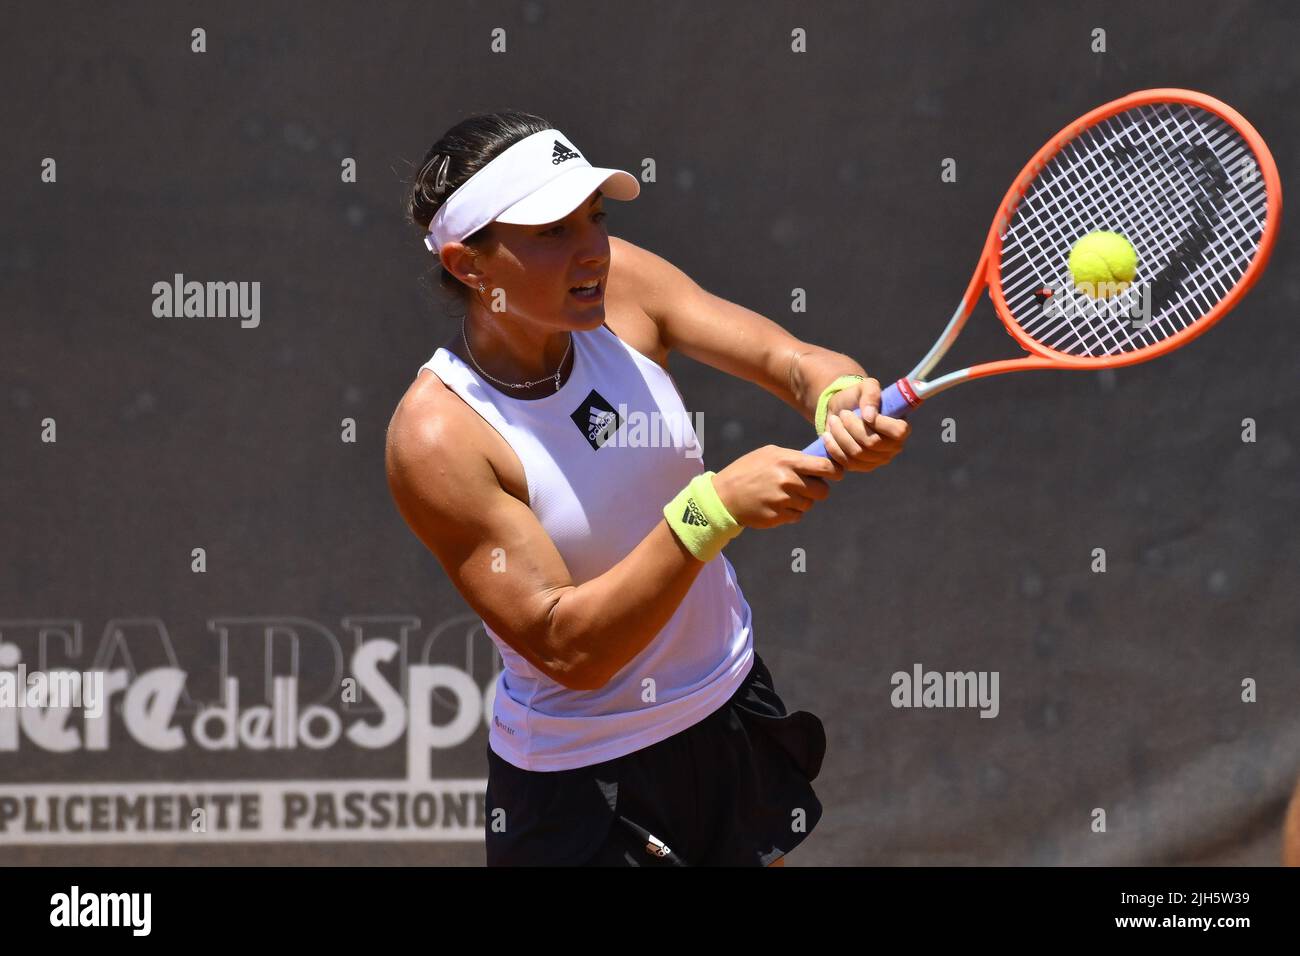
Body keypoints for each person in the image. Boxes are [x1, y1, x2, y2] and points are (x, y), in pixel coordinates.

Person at [386, 111, 910, 866]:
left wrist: (839, 400)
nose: (591, 249)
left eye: (593, 217)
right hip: (587, 785)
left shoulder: (618, 284)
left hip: (728, 710)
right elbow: (570, 650)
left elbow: (789, 358)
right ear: (472, 266)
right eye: (551, 232)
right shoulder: (439, 437)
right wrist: (713, 510)